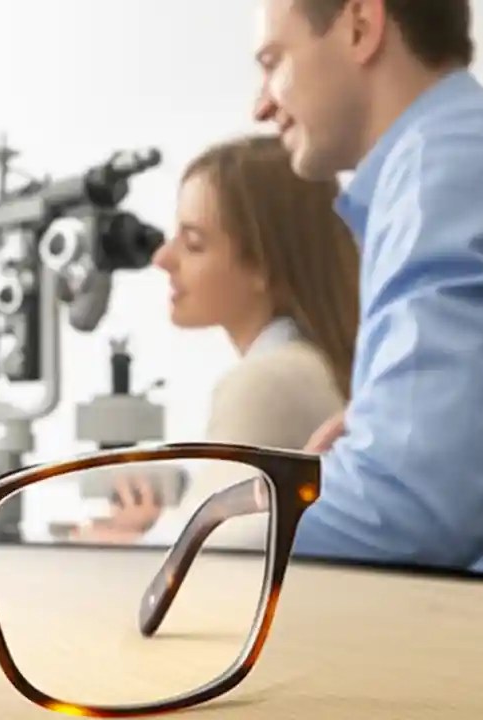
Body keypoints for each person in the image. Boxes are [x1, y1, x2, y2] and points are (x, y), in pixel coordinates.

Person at [251, 0, 483, 575]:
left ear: (360, 26)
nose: (262, 103)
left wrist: (188, 538)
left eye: (274, 60)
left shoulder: (455, 163)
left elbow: (416, 500)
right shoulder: (481, 152)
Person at [75, 134, 360, 544]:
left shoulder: (269, 382)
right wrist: (160, 530)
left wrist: (123, 549)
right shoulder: (316, 365)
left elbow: (209, 567)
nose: (162, 258)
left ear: (263, 263)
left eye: (193, 244)